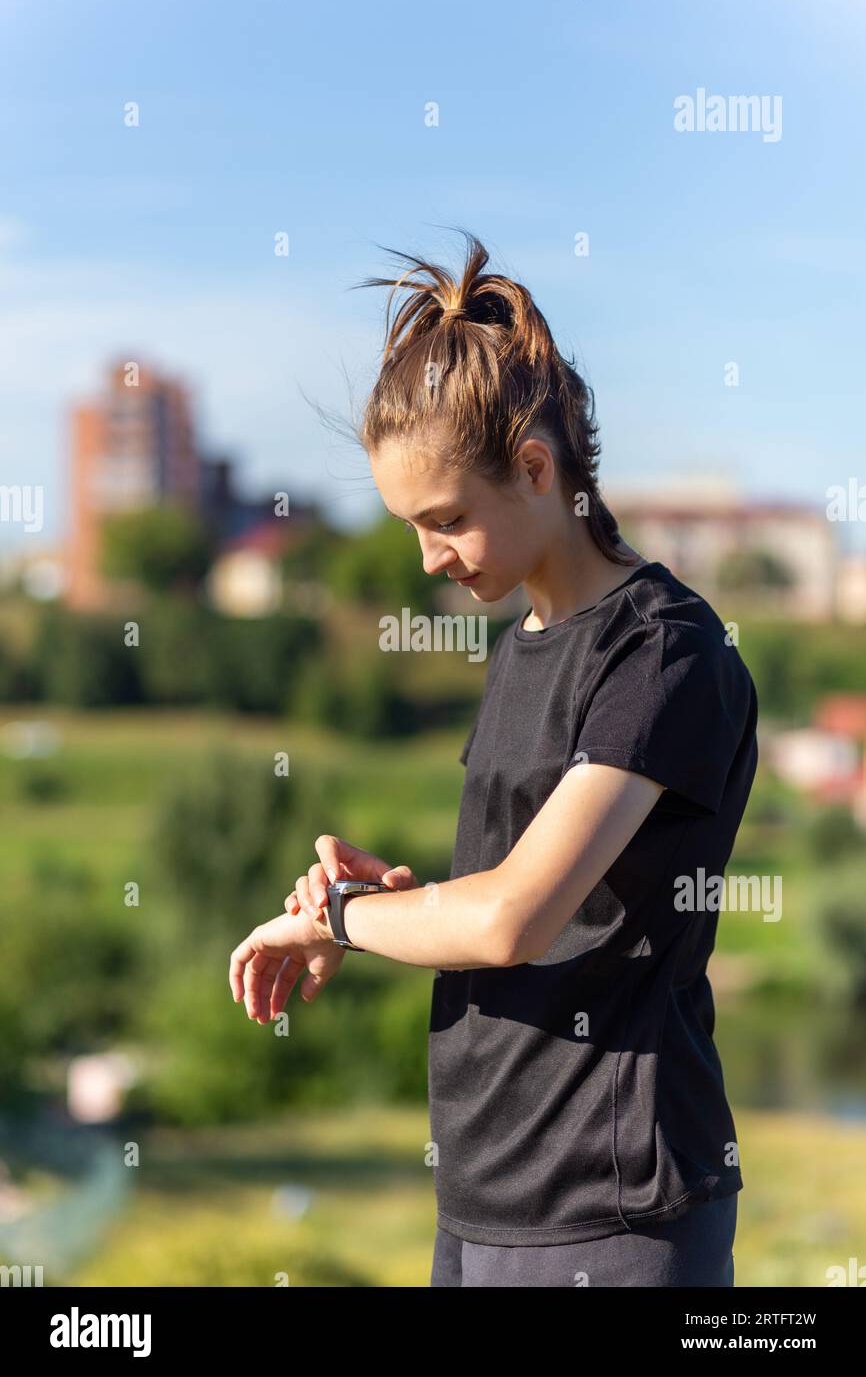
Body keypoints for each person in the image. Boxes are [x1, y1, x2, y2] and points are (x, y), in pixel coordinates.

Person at [228, 230, 758, 1288]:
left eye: (447, 520)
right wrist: (393, 901)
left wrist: (335, 919)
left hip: (606, 1208)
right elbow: (531, 903)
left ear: (533, 467)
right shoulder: (519, 648)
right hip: (482, 1193)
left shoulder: (661, 653)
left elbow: (513, 919)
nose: (428, 556)